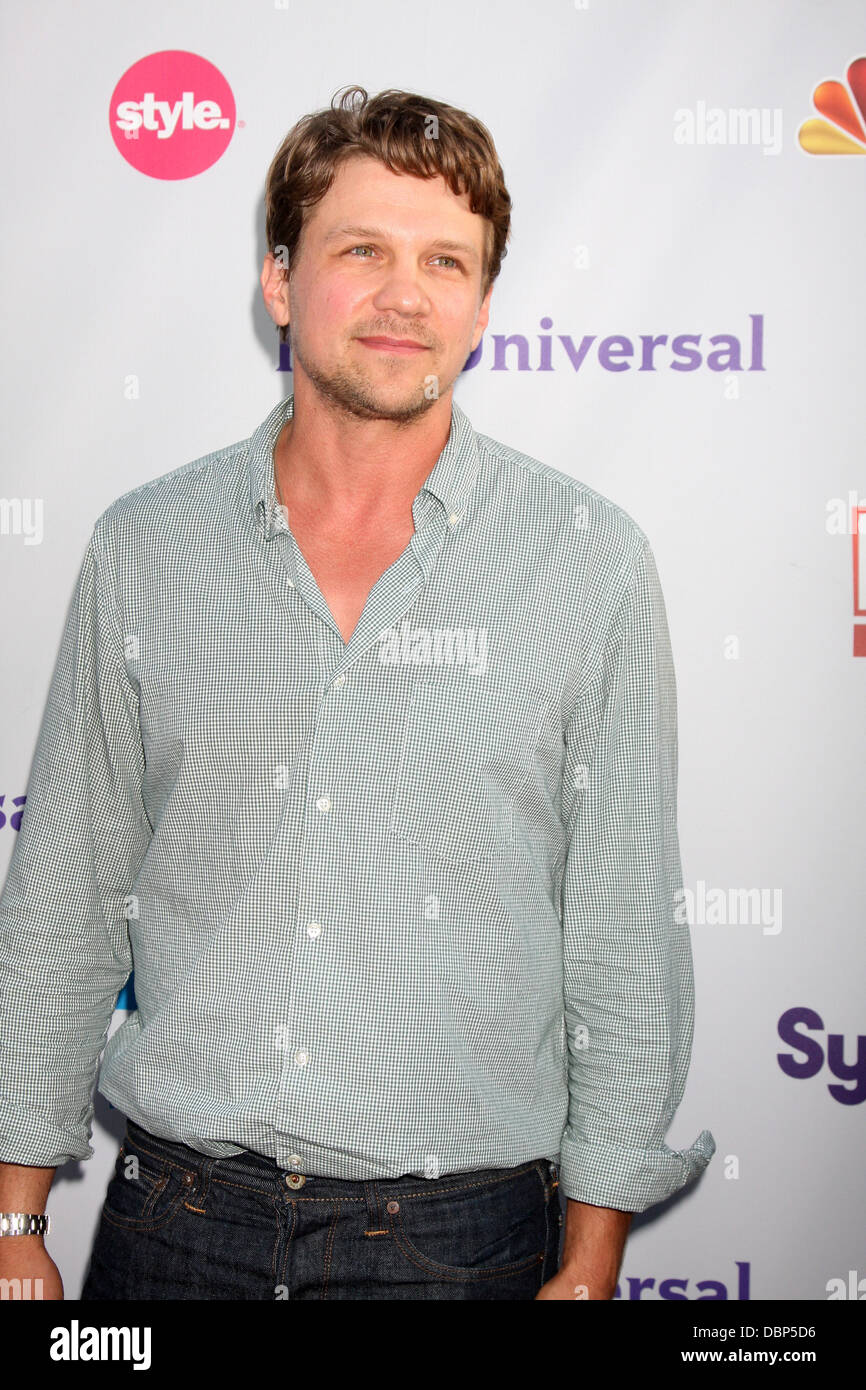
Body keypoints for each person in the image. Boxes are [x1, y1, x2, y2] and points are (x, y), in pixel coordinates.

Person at [0, 84, 714, 1301]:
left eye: (445, 260)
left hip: (466, 1244)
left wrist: (589, 1259)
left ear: (482, 305)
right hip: (170, 1231)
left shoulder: (588, 561)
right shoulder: (147, 549)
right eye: (361, 251)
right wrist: (16, 1219)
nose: (403, 294)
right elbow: (70, 886)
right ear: (280, 283)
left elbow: (619, 934)